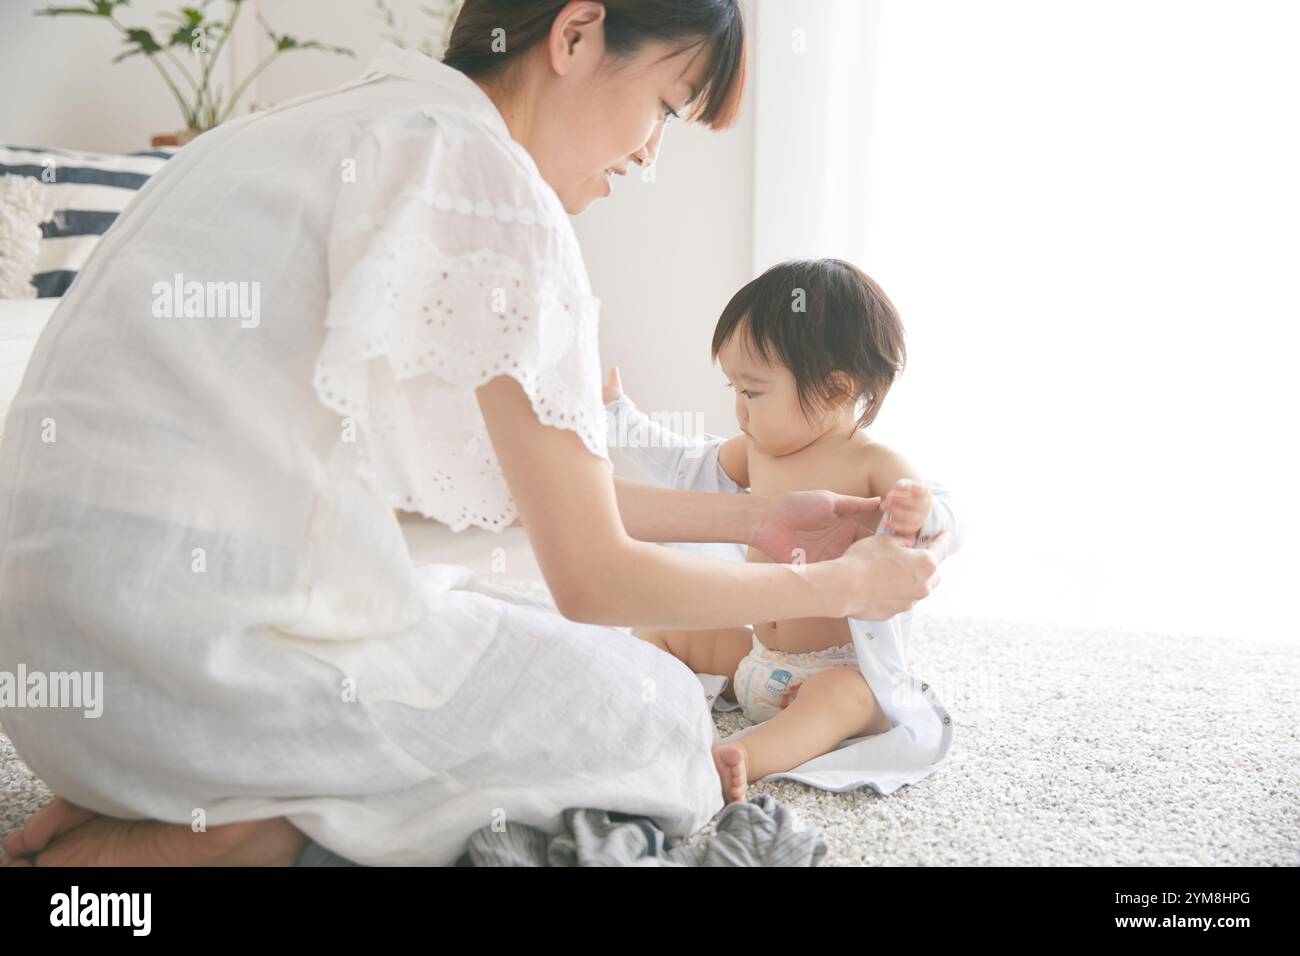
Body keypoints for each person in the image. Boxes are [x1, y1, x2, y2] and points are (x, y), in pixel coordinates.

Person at [0, 0, 947, 867]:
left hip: (62, 671)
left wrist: (758, 524)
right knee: (659, 723)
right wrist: (841, 583)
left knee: (511, 602)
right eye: (666, 103)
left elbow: (532, 505)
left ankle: (176, 798)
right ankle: (251, 825)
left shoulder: (316, 127)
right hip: (198, 675)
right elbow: (594, 577)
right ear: (575, 34)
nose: (650, 158)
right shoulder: (486, 178)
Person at [611, 258, 965, 803]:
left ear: (834, 389)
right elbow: (688, 465)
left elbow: (944, 520)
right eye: (734, 388)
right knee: (666, 628)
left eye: (752, 392)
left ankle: (747, 755)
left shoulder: (872, 462)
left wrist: (923, 516)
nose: (739, 409)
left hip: (832, 671)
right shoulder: (756, 452)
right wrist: (621, 420)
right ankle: (627, 706)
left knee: (843, 702)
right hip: (755, 661)